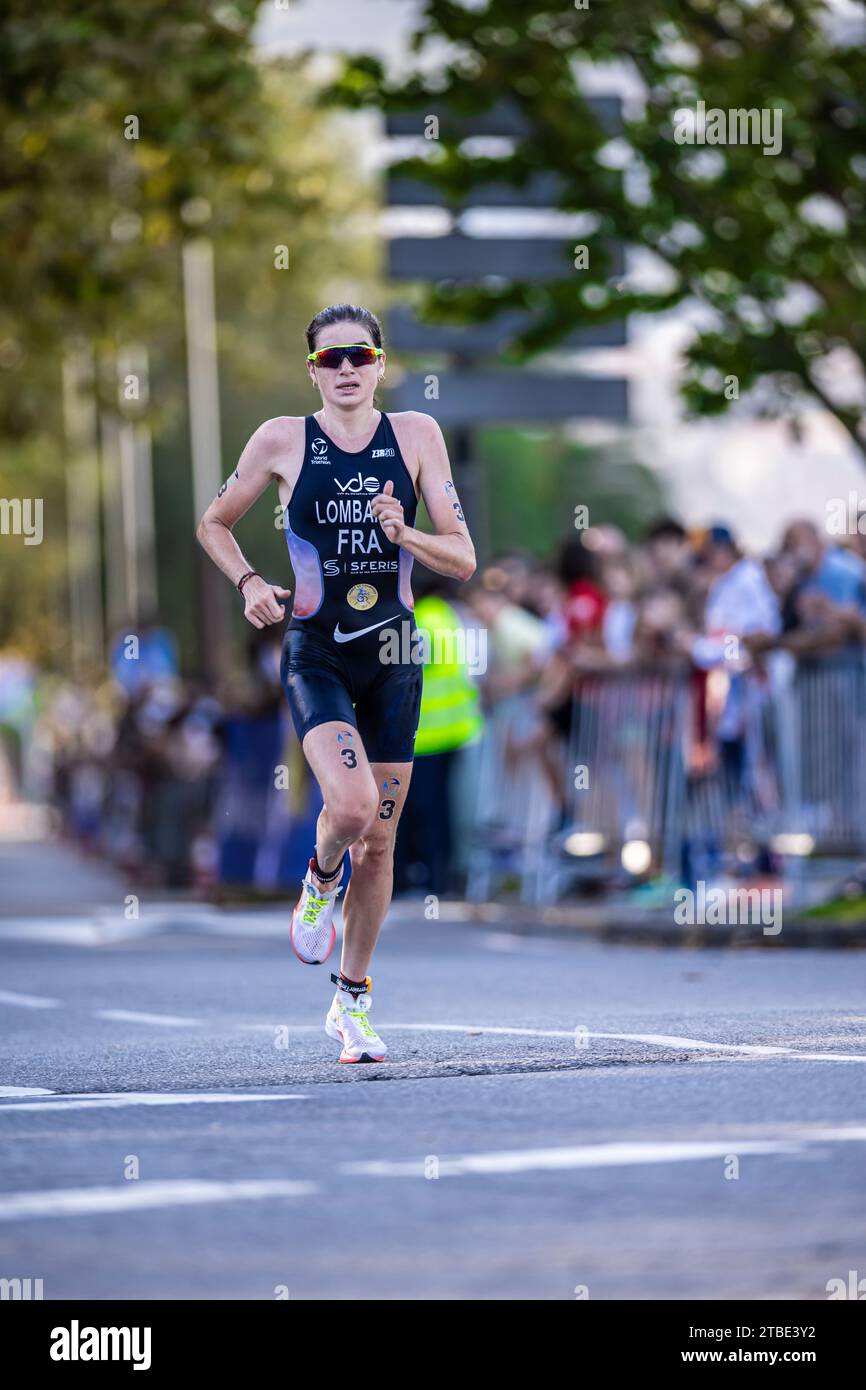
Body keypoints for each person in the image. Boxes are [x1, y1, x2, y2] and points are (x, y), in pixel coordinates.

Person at [195, 304, 476, 1063]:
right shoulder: (283, 438)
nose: (346, 370)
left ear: (381, 363)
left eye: (359, 356)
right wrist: (250, 580)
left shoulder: (417, 436)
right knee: (349, 808)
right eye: (330, 360)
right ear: (312, 371)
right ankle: (319, 877)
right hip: (317, 647)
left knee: (380, 843)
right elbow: (213, 523)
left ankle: (351, 1003)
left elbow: (463, 557)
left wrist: (404, 530)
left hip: (392, 650)